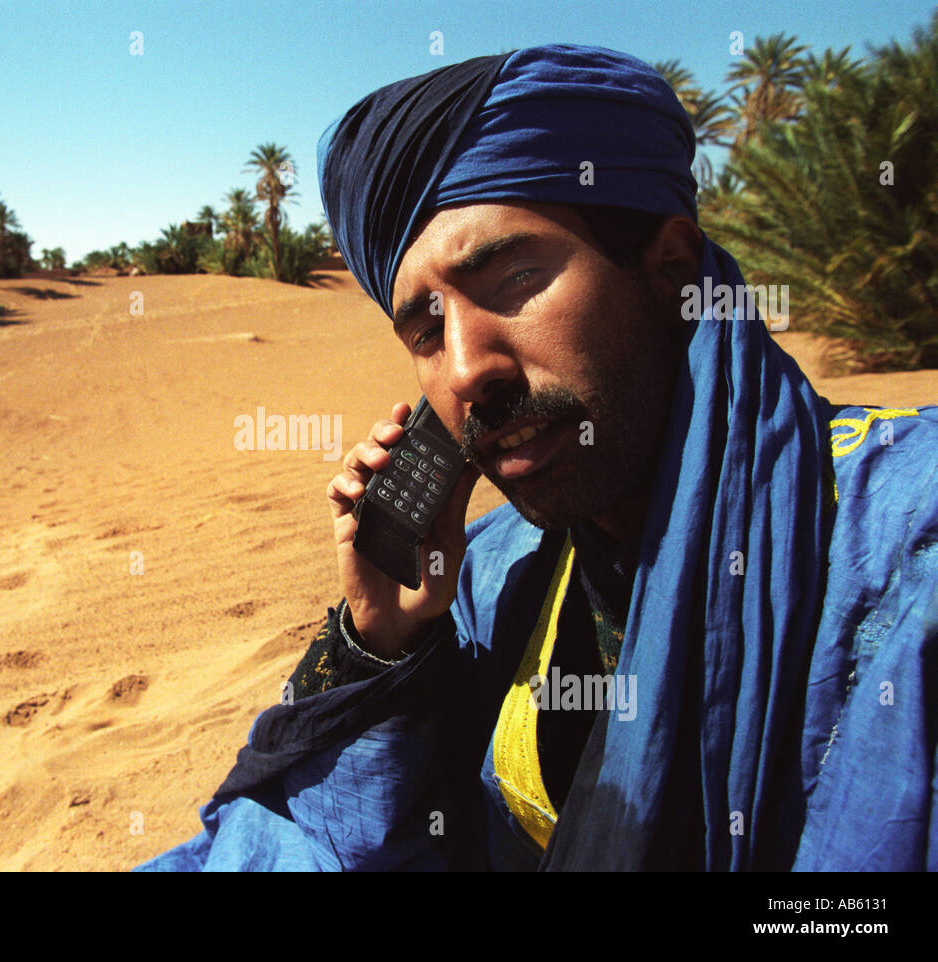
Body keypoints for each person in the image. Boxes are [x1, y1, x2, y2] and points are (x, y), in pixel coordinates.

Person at [136, 44, 938, 871]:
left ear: (671, 268)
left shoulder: (908, 548)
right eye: (424, 331)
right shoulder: (491, 579)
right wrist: (382, 645)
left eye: (514, 279)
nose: (464, 368)